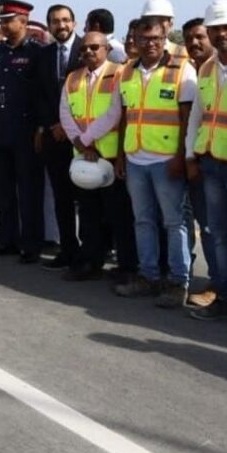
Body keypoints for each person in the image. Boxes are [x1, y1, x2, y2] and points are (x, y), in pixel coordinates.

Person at [113, 17, 196, 307]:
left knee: (174, 223)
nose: (150, 44)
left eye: (156, 39)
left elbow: (187, 119)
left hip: (166, 160)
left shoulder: (182, 70)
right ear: (134, 40)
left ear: (165, 39)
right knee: (143, 221)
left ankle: (178, 281)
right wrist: (121, 156)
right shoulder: (127, 71)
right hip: (136, 158)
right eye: (144, 39)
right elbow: (126, 116)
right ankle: (148, 276)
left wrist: (181, 157)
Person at [187, 0, 227, 323]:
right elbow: (197, 116)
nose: (221, 33)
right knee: (220, 235)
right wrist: (190, 155)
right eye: (215, 28)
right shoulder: (207, 68)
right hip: (212, 163)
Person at [59, 32, 135, 281]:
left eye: (94, 47)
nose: (88, 52)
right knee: (88, 214)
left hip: (110, 157)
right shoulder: (73, 77)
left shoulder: (120, 73)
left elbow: (115, 113)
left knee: (119, 215)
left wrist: (86, 140)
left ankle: (126, 267)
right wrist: (81, 144)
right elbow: (65, 113)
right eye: (84, 48)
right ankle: (90, 262)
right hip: (84, 158)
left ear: (106, 49)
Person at [0, 0, 45, 263]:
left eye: (9, 21)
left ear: (24, 21)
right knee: (3, 189)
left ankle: (31, 244)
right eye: (2, 21)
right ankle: (6, 239)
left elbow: (43, 95)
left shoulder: (37, 52)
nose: (4, 26)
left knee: (28, 191)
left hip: (26, 131)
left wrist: (40, 128)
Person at [181, 15, 227, 308]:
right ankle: (221, 282)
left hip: (226, 161)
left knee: (219, 228)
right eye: (189, 38)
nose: (194, 42)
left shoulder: (226, 71)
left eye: (200, 36)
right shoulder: (193, 71)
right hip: (199, 160)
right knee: (208, 225)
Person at [35, 4, 82, 270]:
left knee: (86, 200)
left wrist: (70, 126)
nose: (61, 25)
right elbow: (39, 95)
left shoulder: (88, 50)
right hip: (54, 136)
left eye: (65, 20)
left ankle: (90, 253)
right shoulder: (44, 55)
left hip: (84, 138)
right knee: (61, 198)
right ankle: (68, 249)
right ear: (49, 25)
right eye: (55, 21)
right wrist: (53, 124)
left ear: (74, 23)